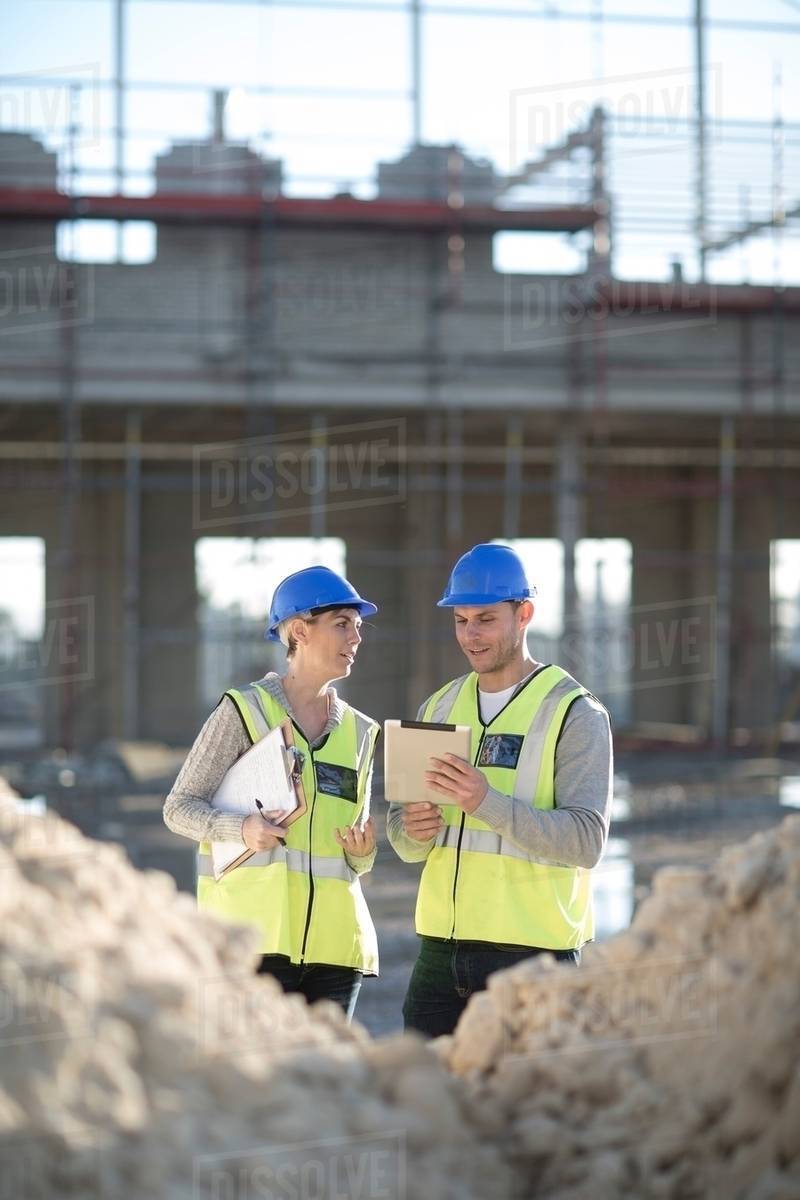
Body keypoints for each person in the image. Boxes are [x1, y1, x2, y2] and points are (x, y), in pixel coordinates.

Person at [387, 543, 613, 1038]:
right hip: (440, 955)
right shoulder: (439, 706)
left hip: (534, 959)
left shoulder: (573, 712)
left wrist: (485, 803)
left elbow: (586, 842)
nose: (470, 635)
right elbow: (404, 840)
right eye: (461, 621)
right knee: (427, 1085)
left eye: (485, 619)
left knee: (527, 1089)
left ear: (524, 614)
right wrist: (412, 830)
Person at [163, 565, 381, 1022]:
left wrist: (362, 853)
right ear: (299, 631)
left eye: (358, 626)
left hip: (337, 949)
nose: (356, 637)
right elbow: (178, 808)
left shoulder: (361, 732)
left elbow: (354, 859)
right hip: (251, 946)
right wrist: (241, 828)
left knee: (324, 1067)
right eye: (342, 624)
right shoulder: (242, 712)